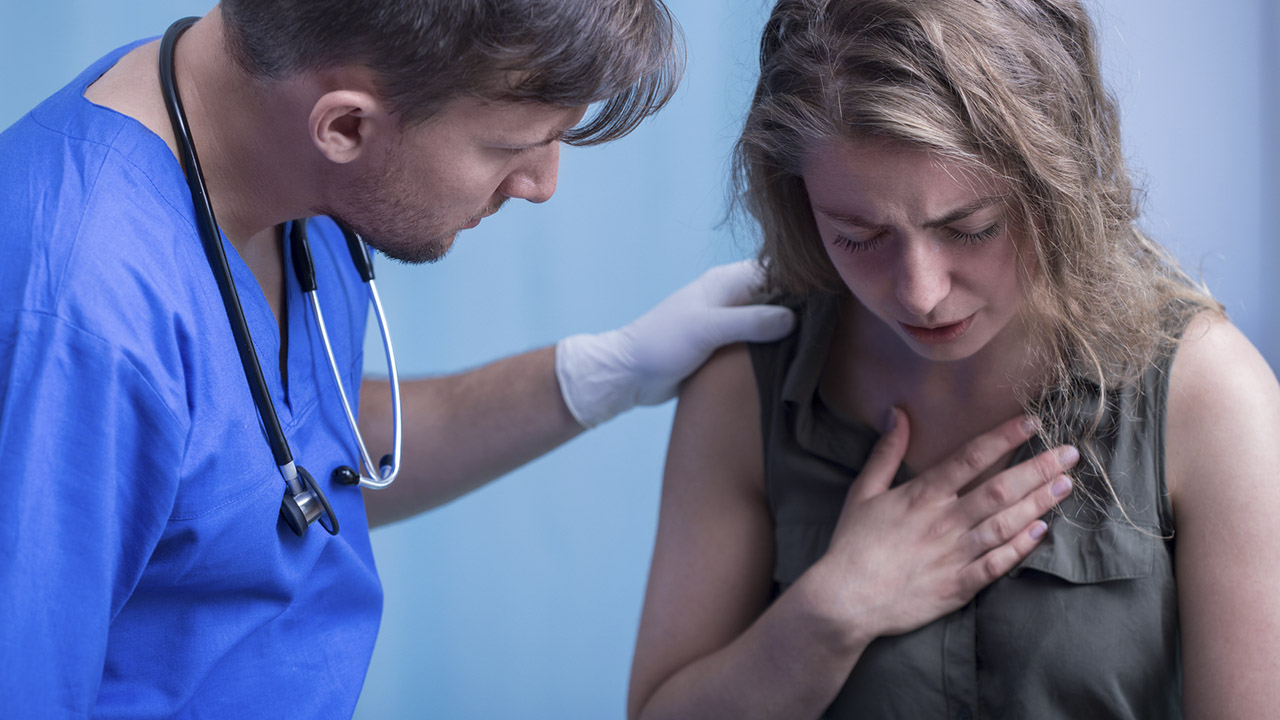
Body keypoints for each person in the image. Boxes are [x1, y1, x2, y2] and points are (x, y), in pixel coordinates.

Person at [0, 1, 797, 717]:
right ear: (344, 126)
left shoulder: (252, 121)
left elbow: (275, 452)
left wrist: (600, 375)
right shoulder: (77, 319)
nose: (542, 183)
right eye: (512, 146)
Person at [628, 0, 1280, 718]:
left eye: (971, 228)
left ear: (1058, 185)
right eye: (859, 236)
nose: (920, 293)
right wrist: (826, 617)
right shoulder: (742, 389)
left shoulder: (1207, 394)